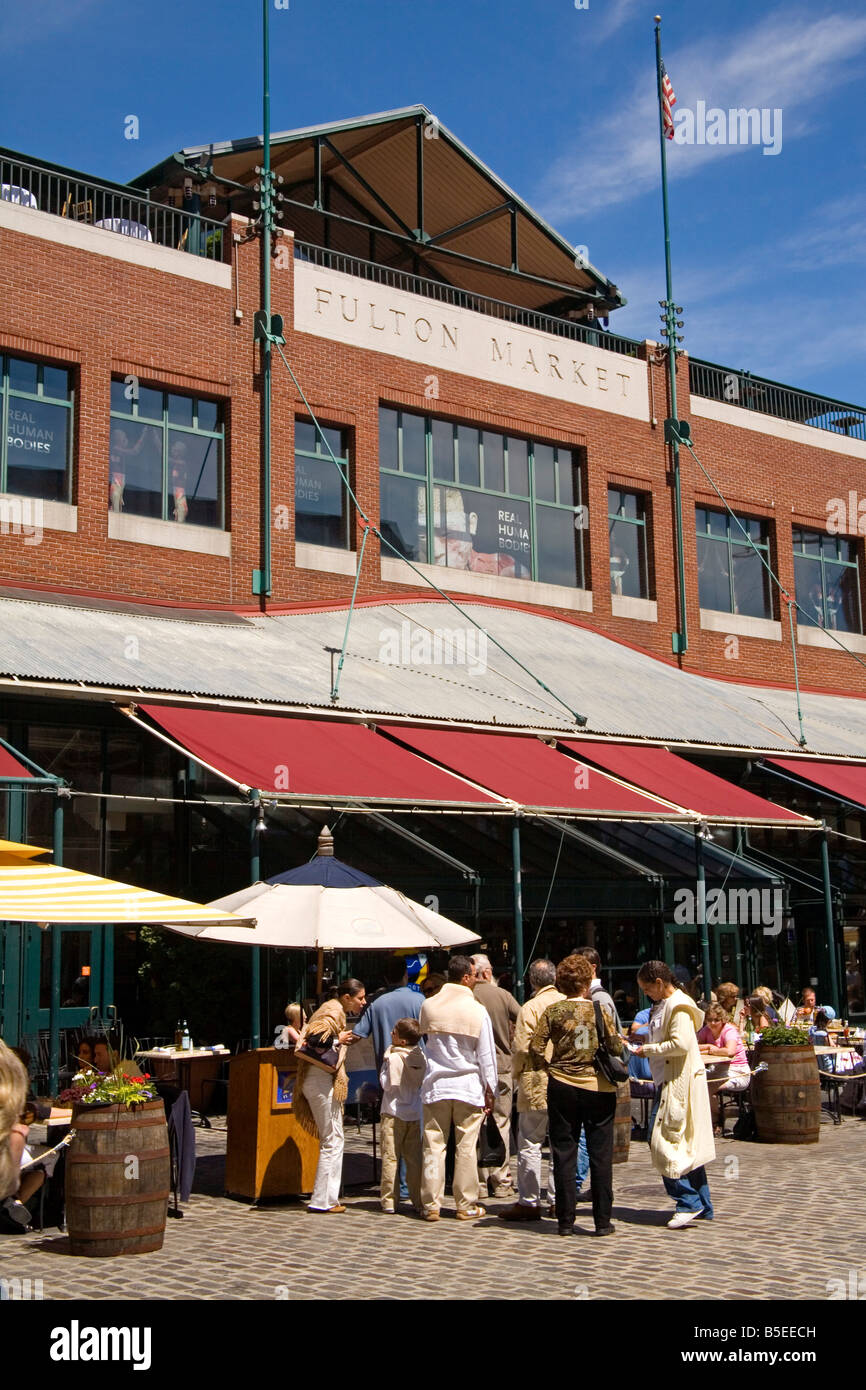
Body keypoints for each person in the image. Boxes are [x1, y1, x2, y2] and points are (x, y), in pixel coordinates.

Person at [528, 953, 623, 1237]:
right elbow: (616, 1047)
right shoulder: (598, 1011)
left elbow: (535, 1046)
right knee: (600, 1154)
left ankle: (565, 1221)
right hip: (596, 1088)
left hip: (562, 1084)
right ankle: (602, 1221)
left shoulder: (554, 1011)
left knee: (564, 1152)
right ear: (585, 984)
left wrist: (548, 1067)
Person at [633, 960, 714, 1229]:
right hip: (668, 1080)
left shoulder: (678, 1006)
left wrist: (649, 1050)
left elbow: (680, 1044)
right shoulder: (665, 1005)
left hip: (677, 1082)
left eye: (647, 988)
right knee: (684, 1142)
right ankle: (702, 1203)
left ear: (659, 983)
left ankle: (687, 1201)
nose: (647, 994)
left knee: (661, 1141)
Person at [418, 955, 496, 1223]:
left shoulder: (428, 1006)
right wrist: (491, 1088)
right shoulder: (476, 1010)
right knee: (465, 1146)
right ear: (466, 977)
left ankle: (431, 1203)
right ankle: (465, 1202)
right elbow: (487, 1055)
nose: (476, 979)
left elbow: (425, 1044)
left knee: (433, 1145)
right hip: (467, 1084)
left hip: (436, 1083)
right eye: (474, 975)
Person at [498, 958, 564, 1222]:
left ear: (532, 982)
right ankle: (560, 1199)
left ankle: (529, 1200)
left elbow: (523, 1046)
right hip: (566, 1079)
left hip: (536, 1079)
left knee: (530, 1141)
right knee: (562, 1142)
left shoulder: (532, 1007)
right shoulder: (567, 1001)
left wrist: (517, 1071)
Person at [293, 978, 366, 1214]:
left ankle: (327, 1198)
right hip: (320, 1081)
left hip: (318, 1080)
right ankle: (323, 1199)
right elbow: (314, 1040)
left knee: (333, 1137)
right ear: (347, 997)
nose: (363, 1002)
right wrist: (339, 1039)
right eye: (360, 998)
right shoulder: (333, 1011)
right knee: (332, 1139)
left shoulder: (333, 1010)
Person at [573, 945, 622, 1196]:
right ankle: (592, 1186)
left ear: (592, 968)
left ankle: (576, 1184)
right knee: (589, 1134)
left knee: (585, 1133)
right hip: (592, 1076)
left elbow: (611, 1040)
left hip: (598, 1076)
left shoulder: (599, 998)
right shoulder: (590, 997)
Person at [470, 952, 519, 1198]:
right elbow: (522, 1019)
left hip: (472, 1066)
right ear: (487, 973)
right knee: (500, 1120)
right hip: (500, 1065)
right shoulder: (501, 995)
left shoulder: (466, 996)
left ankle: (479, 1182)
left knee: (475, 1122)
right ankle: (500, 1181)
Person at [379, 1017, 425, 1214]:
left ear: (402, 1040)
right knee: (414, 1160)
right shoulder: (420, 1057)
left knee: (391, 1157)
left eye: (394, 1032)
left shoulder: (394, 1058)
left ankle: (389, 1199)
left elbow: (388, 1084)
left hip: (392, 1111)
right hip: (414, 1112)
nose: (391, 1034)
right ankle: (418, 1198)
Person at [351, 955, 422, 1072]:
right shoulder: (420, 1000)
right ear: (406, 974)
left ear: (385, 978)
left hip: (388, 1071)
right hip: (418, 1071)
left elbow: (356, 1036)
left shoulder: (374, 1002)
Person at [697, 1003, 751, 1130]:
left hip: (738, 1071)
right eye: (710, 1020)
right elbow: (694, 1046)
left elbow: (730, 1051)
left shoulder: (729, 1031)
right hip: (717, 1069)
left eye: (716, 1020)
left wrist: (712, 1050)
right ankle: (704, 1120)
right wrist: (710, 1047)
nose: (713, 1023)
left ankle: (715, 1121)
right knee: (695, 1080)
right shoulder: (706, 1030)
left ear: (723, 1020)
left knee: (708, 1086)